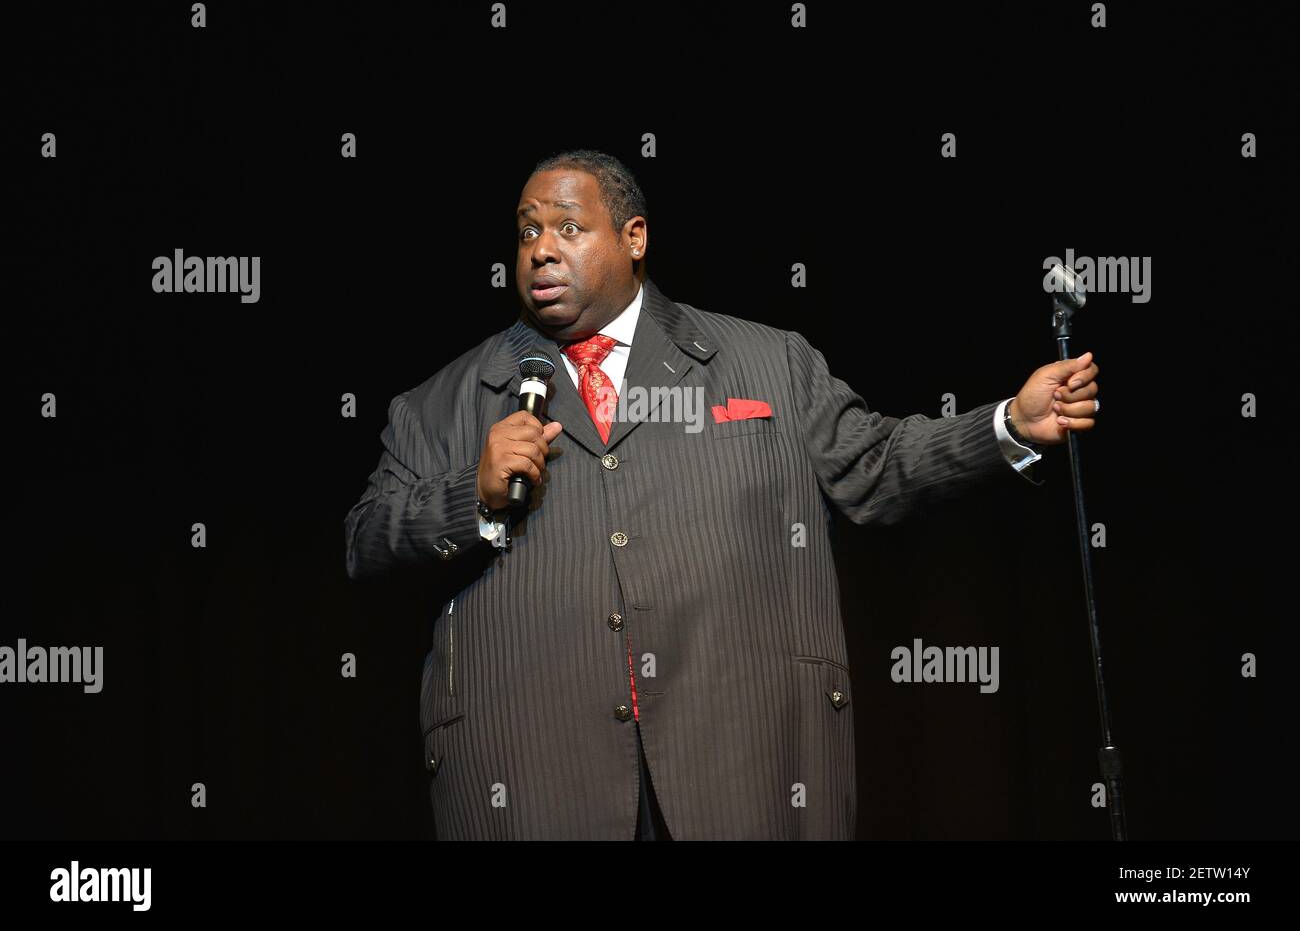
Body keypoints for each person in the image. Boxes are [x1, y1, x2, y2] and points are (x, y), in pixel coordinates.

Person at [343, 149, 1101, 840]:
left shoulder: (766, 362)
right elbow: (365, 540)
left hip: (746, 767)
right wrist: (468, 495)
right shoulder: (442, 402)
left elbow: (874, 463)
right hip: (538, 782)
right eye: (526, 231)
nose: (541, 248)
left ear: (634, 237)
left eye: (569, 227)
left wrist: (1008, 424)